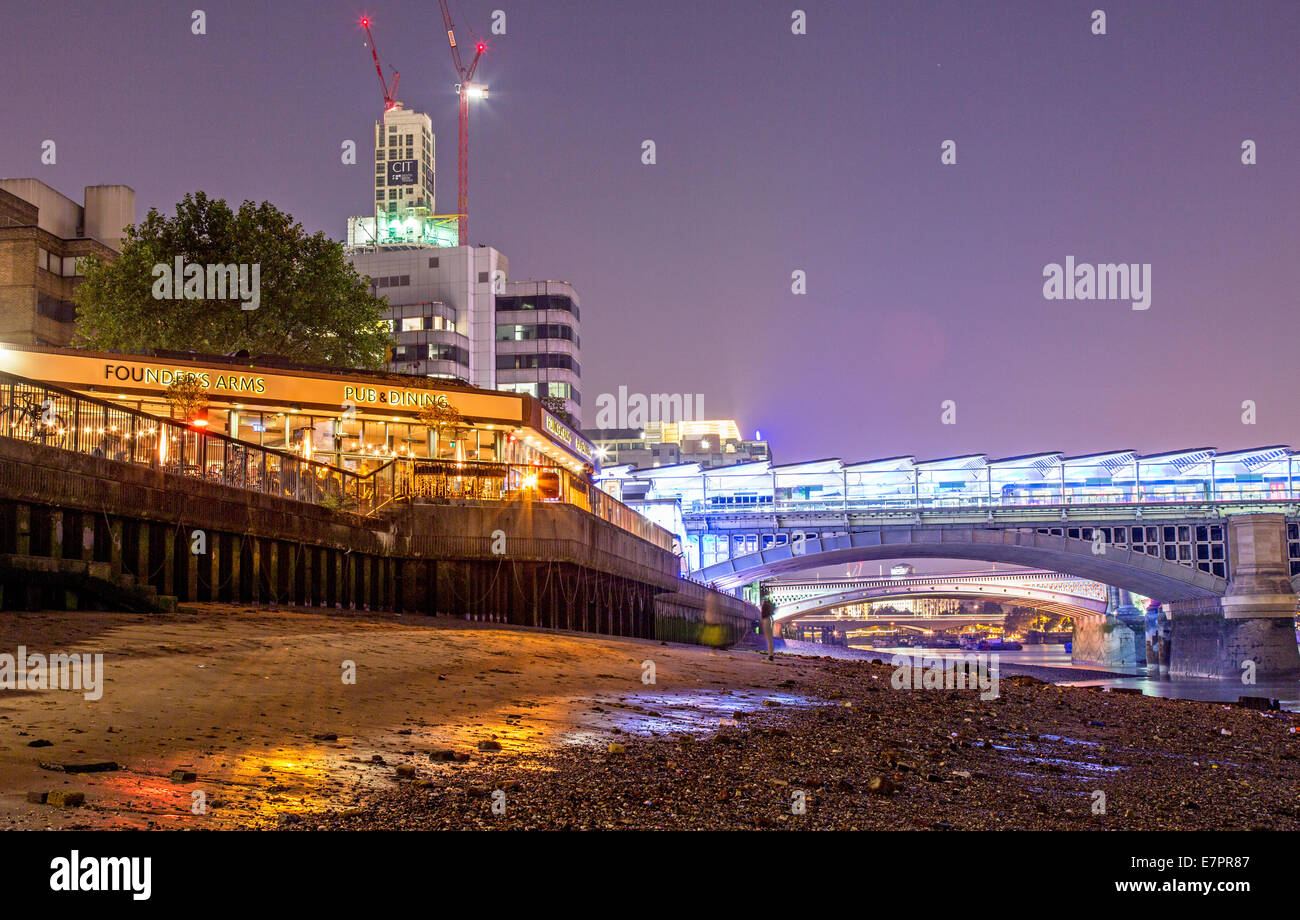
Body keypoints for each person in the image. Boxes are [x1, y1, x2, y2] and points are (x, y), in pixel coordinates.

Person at [759, 589, 776, 661]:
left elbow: (763, 613)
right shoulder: (769, 605)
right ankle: (771, 655)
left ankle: (770, 656)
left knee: (768, 639)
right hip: (769, 620)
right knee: (770, 639)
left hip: (766, 620)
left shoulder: (765, 605)